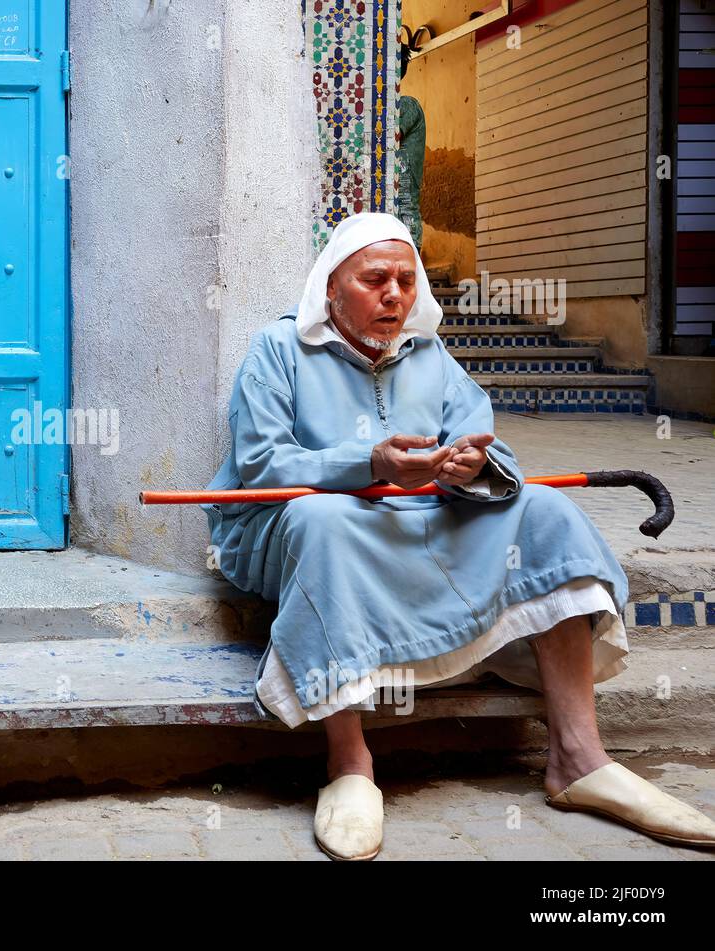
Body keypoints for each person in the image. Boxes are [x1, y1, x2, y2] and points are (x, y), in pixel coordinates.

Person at [203, 211, 715, 860]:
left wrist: (471, 465)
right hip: (301, 525)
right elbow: (264, 464)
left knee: (545, 511)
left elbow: (481, 439)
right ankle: (350, 763)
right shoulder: (277, 350)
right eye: (374, 280)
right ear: (330, 288)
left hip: (419, 518)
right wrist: (371, 465)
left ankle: (578, 757)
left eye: (405, 280)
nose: (394, 294)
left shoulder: (431, 353)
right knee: (322, 519)